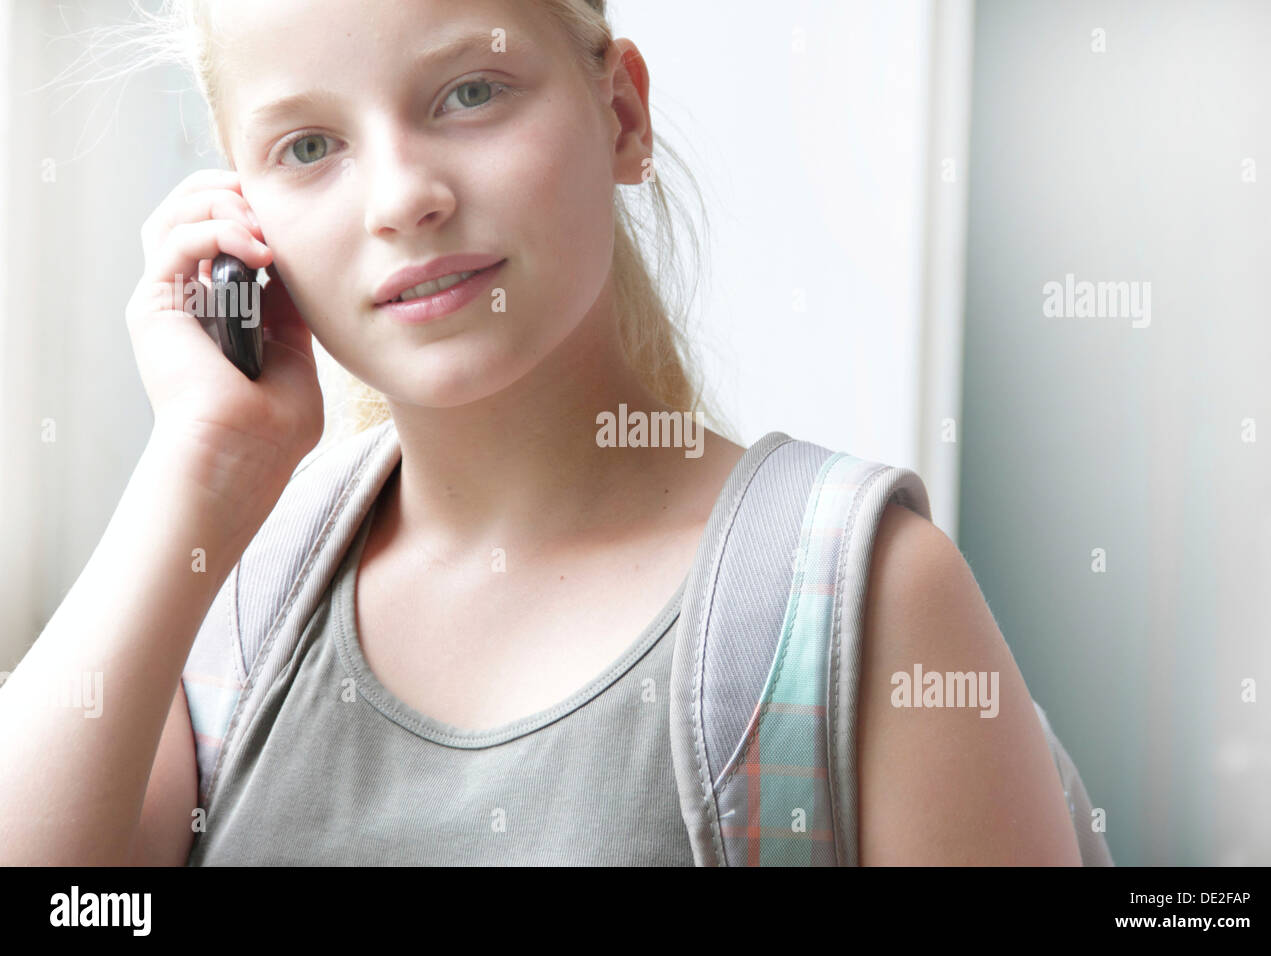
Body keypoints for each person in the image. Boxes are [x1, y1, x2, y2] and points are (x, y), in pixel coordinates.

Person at [0, 0, 1081, 865]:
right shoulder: (239, 596)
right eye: (309, 144)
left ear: (620, 115)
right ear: (244, 220)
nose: (403, 196)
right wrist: (203, 464)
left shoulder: (860, 594)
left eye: (469, 92)